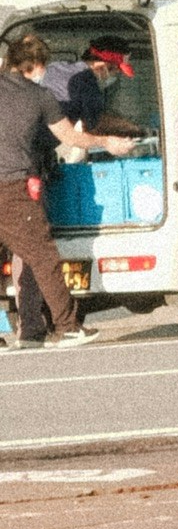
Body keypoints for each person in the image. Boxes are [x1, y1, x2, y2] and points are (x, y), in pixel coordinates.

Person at [0, 29, 83, 350]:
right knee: (43, 255)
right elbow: (71, 137)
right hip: (13, 185)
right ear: (33, 63)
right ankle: (66, 326)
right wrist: (106, 141)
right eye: (42, 65)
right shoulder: (39, 97)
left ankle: (31, 329)